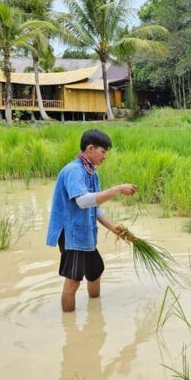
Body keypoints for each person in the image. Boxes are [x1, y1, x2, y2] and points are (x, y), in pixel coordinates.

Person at [46, 129, 137, 312]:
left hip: (85, 233)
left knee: (95, 271)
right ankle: (69, 323)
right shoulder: (74, 171)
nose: (105, 157)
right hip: (72, 235)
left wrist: (114, 228)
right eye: (103, 152)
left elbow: (94, 207)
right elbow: (83, 201)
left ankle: (95, 312)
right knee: (73, 281)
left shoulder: (92, 174)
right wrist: (117, 189)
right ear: (90, 149)